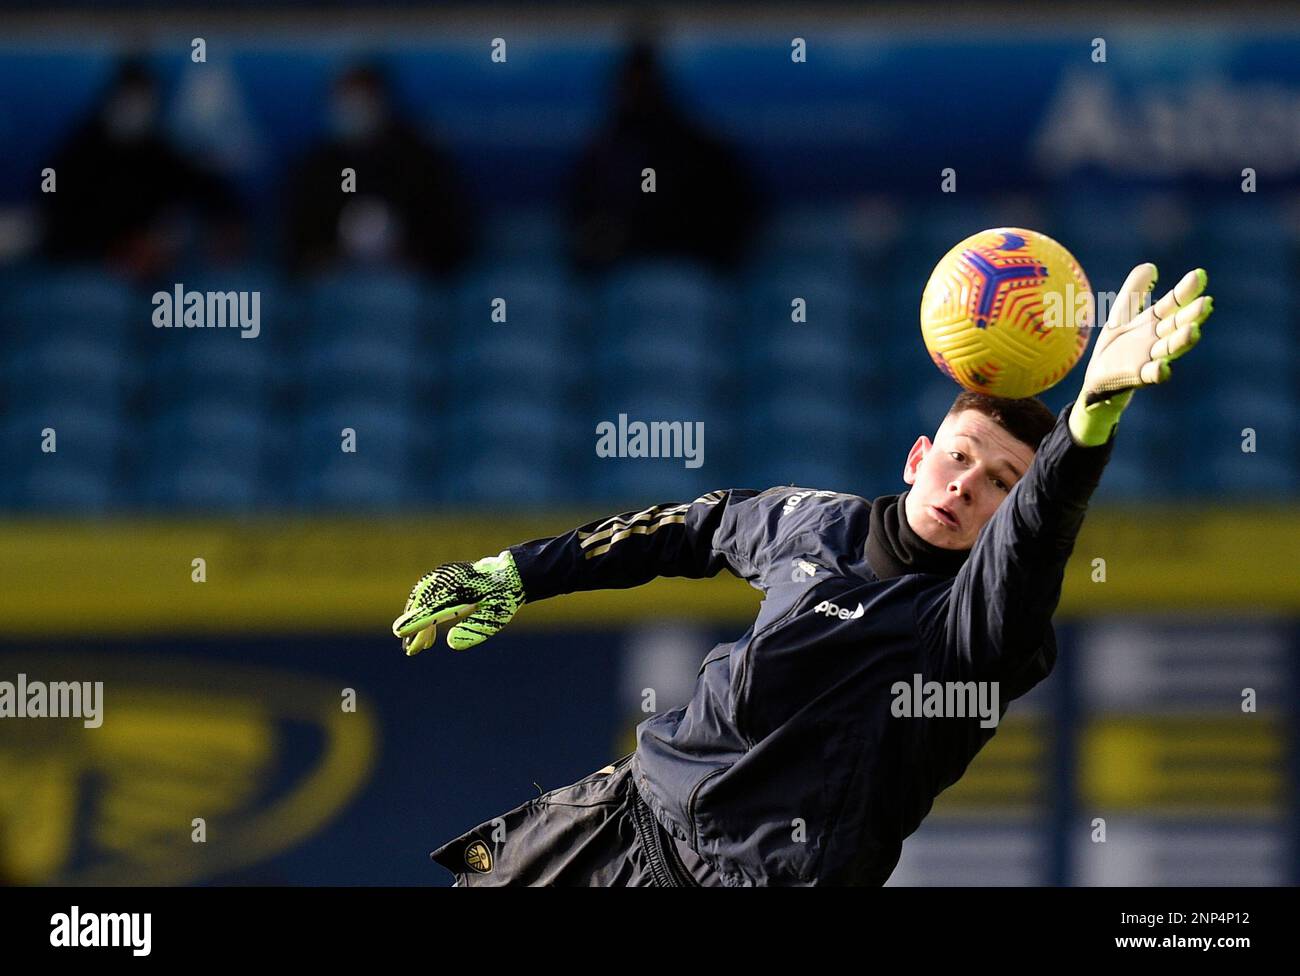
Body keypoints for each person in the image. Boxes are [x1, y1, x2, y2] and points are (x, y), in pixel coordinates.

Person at [400, 263, 1213, 886]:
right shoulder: (812, 521)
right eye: (960, 458)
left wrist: (1086, 426)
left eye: (1002, 481)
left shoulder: (981, 632)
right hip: (619, 826)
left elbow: (1037, 540)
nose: (969, 485)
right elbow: (687, 528)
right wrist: (514, 573)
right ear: (918, 459)